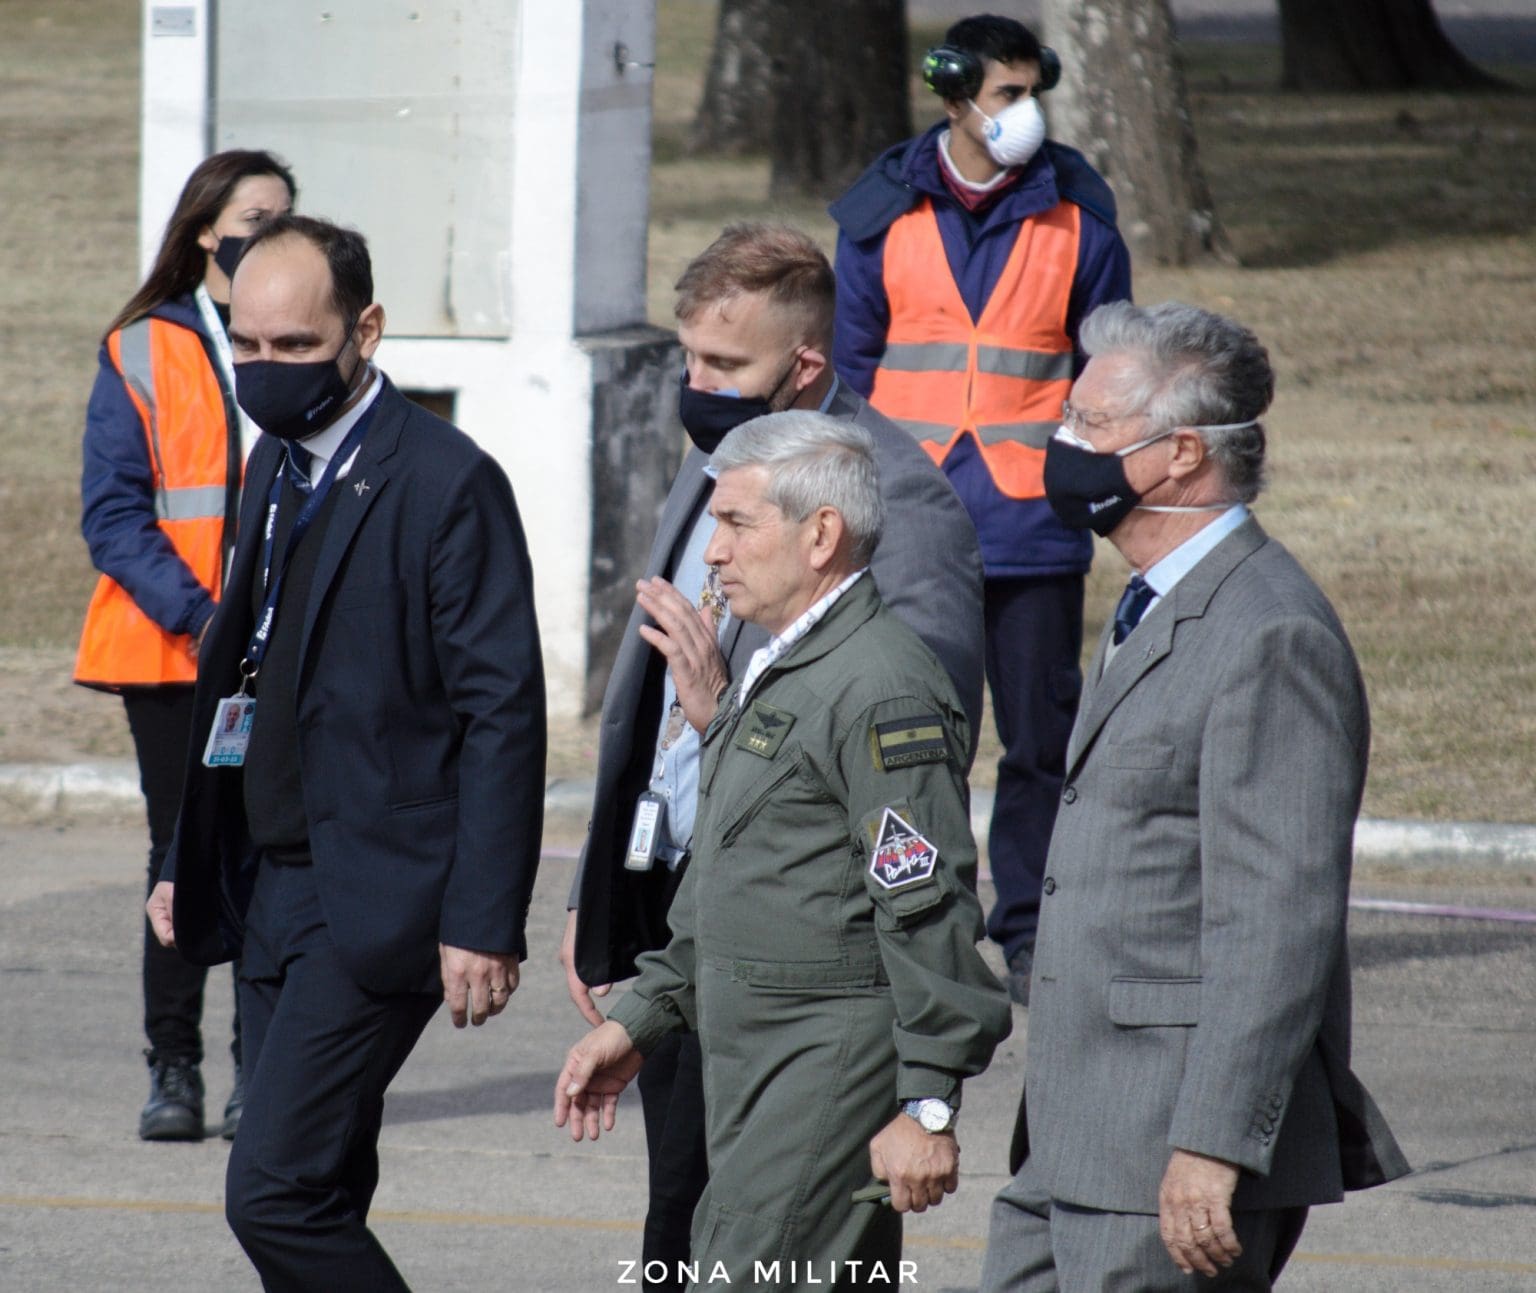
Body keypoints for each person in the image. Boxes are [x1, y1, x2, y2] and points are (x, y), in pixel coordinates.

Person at [560, 223, 985, 1285]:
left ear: (801, 366)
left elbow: (893, 756)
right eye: (688, 359)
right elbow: (647, 704)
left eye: (724, 366)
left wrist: (923, 1092)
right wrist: (603, 886)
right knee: (689, 1210)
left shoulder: (889, 499)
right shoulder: (735, 456)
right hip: (695, 913)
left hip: (807, 953)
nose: (696, 388)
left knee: (761, 1238)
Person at [145, 214, 546, 1291]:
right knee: (318, 1189)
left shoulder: (444, 482)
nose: (264, 370)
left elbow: (503, 712)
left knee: (269, 1192)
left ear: (364, 331)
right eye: (247, 345)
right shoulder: (273, 464)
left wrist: (480, 919)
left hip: (377, 893)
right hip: (272, 879)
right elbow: (242, 674)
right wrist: (187, 855)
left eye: (294, 347)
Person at [978, 301, 1408, 1291]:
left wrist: (1214, 1144)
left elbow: (1276, 920)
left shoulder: (1269, 634)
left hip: (1168, 1157)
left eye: (1091, 427)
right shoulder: (1151, 602)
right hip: (1074, 1144)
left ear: (1178, 457)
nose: (1061, 445)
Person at [830, 13, 1133, 1004]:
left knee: (1041, 742)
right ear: (957, 99)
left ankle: (1033, 930)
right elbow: (854, 367)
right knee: (911, 742)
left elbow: (1109, 364)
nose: (1025, 113)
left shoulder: (1080, 212)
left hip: (1032, 524)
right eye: (1006, 95)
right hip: (909, 526)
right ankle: (913, 926)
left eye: (1031, 91)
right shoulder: (879, 212)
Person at [75, 148, 296, 1142]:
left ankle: (262, 1073)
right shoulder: (140, 349)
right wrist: (205, 616)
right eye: (255, 214)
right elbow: (113, 517)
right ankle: (175, 1069)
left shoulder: (299, 341)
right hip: (172, 654)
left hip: (276, 656)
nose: (271, 230)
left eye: (285, 217)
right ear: (207, 228)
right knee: (182, 853)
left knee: (266, 857)